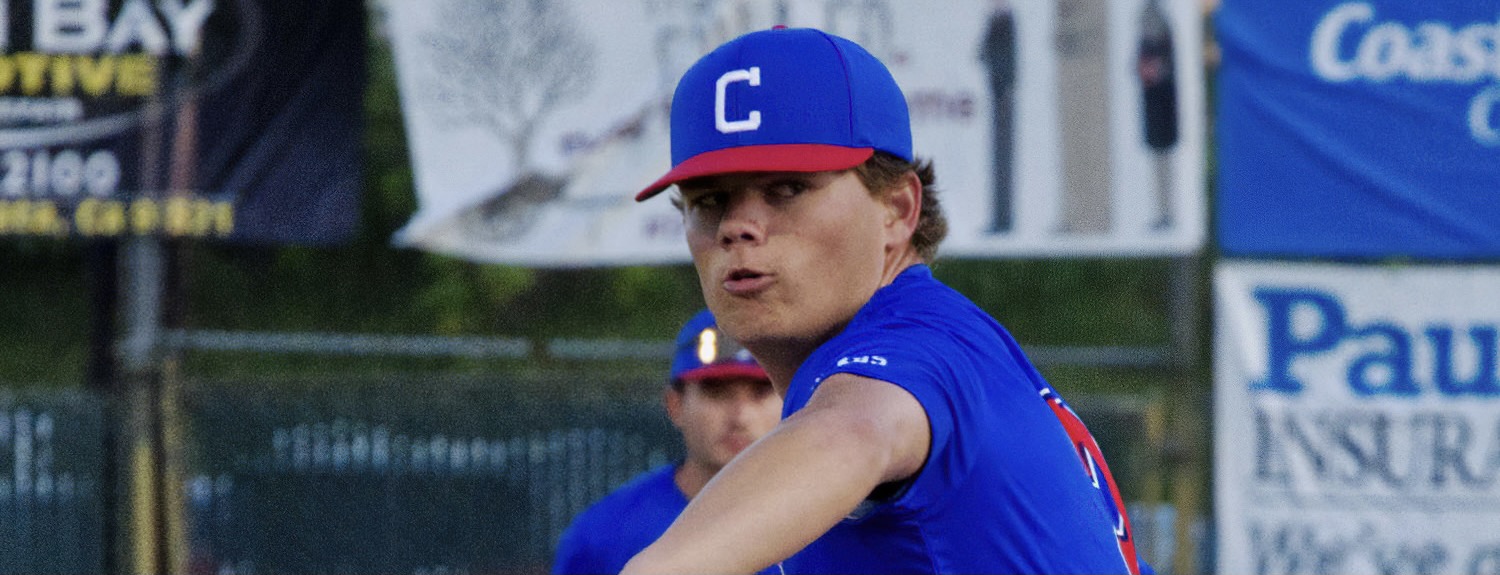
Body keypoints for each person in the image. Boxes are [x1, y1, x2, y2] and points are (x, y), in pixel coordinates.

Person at [626, 27, 1151, 574]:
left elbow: (856, 429)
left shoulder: (915, 348)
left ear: (897, 211)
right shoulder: (962, 345)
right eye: (709, 199)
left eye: (787, 189)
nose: (737, 226)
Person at [551, 309, 782, 575]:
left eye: (762, 392)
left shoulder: (828, 522)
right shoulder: (604, 536)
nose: (741, 416)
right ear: (675, 405)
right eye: (718, 393)